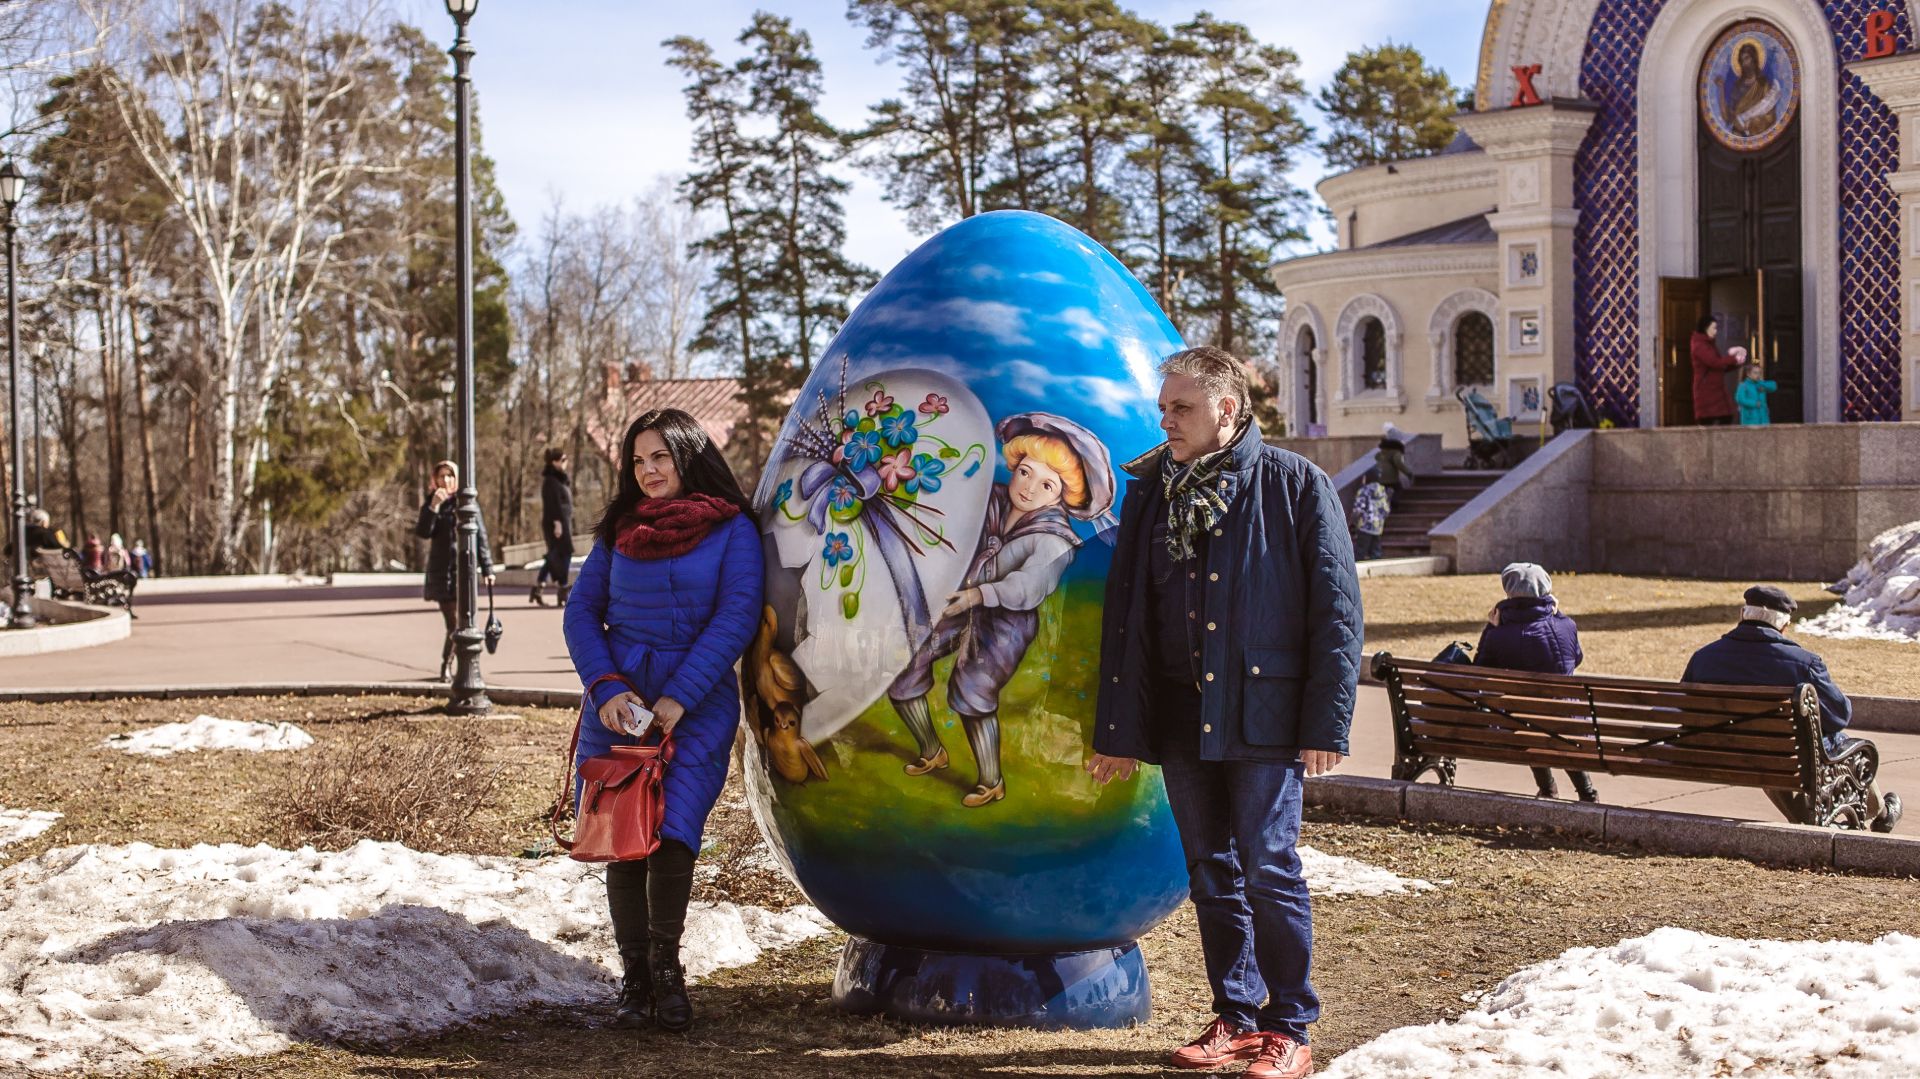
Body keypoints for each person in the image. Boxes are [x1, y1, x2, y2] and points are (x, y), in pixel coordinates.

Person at [1087, 346, 1362, 1079]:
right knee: (1212, 870)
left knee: (1269, 866)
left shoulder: (1296, 485)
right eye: (1164, 406)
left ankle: (1290, 1024)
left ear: (1226, 411)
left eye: (1181, 407)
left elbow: (1337, 614)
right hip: (1182, 716)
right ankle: (1236, 1017)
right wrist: (1117, 727)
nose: (1165, 419)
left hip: (1263, 716)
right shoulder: (1152, 490)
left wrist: (1324, 724)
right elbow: (1127, 615)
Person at [562, 408, 763, 1034]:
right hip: (617, 712)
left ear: (688, 457)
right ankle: (635, 980)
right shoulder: (620, 532)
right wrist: (607, 689)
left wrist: (678, 696)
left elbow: (738, 614)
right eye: (638, 460)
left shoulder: (733, 531)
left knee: (673, 836)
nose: (648, 471)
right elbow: (581, 612)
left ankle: (669, 972)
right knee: (623, 842)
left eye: (661, 458)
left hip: (694, 709)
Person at [887, 412, 1115, 807]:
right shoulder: (989, 499)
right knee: (907, 664)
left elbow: (1030, 587)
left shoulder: (1054, 538)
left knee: (973, 690)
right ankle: (931, 748)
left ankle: (991, 780)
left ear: (1063, 494)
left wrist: (978, 596)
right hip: (957, 599)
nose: (1028, 488)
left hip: (1005, 620)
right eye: (1025, 472)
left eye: (1047, 484)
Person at [1682, 585, 1902, 832]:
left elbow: (1687, 712)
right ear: (1784, 625)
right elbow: (1839, 716)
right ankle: (1878, 811)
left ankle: (1810, 820)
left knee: (1776, 752)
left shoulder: (1703, 658)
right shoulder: (1804, 663)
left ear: (1743, 615)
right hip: (1786, 759)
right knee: (1841, 745)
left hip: (1717, 754)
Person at [1474, 562, 1598, 802]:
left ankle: (1548, 789)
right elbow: (1576, 658)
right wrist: (1557, 615)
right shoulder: (1567, 625)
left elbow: (1480, 670)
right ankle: (1587, 792)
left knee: (1528, 720)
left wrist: (1491, 628)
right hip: (1567, 718)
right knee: (1557, 723)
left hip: (1520, 722)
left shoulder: (1499, 634)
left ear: (1508, 591)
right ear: (1546, 589)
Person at [413, 460, 495, 681]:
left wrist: (487, 568)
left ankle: (462, 668)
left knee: (464, 621)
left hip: (464, 573)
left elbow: (481, 537)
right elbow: (423, 532)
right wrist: (433, 507)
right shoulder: (433, 503)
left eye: (450, 476)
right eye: (441, 476)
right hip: (442, 574)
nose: (446, 480)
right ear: (435, 479)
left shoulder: (467, 503)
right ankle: (447, 666)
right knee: (455, 623)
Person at [534, 447, 575, 607]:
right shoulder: (551, 481)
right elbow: (553, 504)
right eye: (563, 460)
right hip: (556, 524)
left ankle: (540, 587)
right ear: (555, 462)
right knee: (563, 555)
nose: (566, 463)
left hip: (563, 522)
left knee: (554, 556)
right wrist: (557, 523)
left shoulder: (559, 479)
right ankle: (563, 590)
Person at [1689, 316, 1740, 425]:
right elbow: (1714, 362)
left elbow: (1718, 366)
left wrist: (1735, 363)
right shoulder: (1700, 345)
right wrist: (1733, 359)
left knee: (1725, 417)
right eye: (1714, 328)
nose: (1716, 331)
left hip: (1714, 389)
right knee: (1709, 420)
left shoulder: (1708, 343)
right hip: (1706, 389)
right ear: (1705, 328)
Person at [1349, 466, 1390, 562]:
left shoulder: (1364, 491)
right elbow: (1386, 510)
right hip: (1378, 527)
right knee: (1376, 552)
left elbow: (1358, 510)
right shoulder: (1382, 491)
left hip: (1365, 526)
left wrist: (1353, 523)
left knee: (1360, 551)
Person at [1374, 423, 1416, 496]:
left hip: (1380, 477)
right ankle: (1394, 503)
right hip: (1391, 478)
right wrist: (1408, 473)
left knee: (1383, 492)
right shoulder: (1396, 452)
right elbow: (1399, 463)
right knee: (1398, 489)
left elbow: (1376, 457)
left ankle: (1386, 504)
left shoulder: (1382, 451)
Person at [1735, 357, 1777, 426]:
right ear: (1748, 374)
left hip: (1763, 416)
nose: (1758, 375)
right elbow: (1740, 399)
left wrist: (1763, 386)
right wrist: (1754, 404)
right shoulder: (1743, 385)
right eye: (1755, 373)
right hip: (1750, 416)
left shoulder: (1760, 384)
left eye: (1759, 373)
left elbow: (1773, 386)